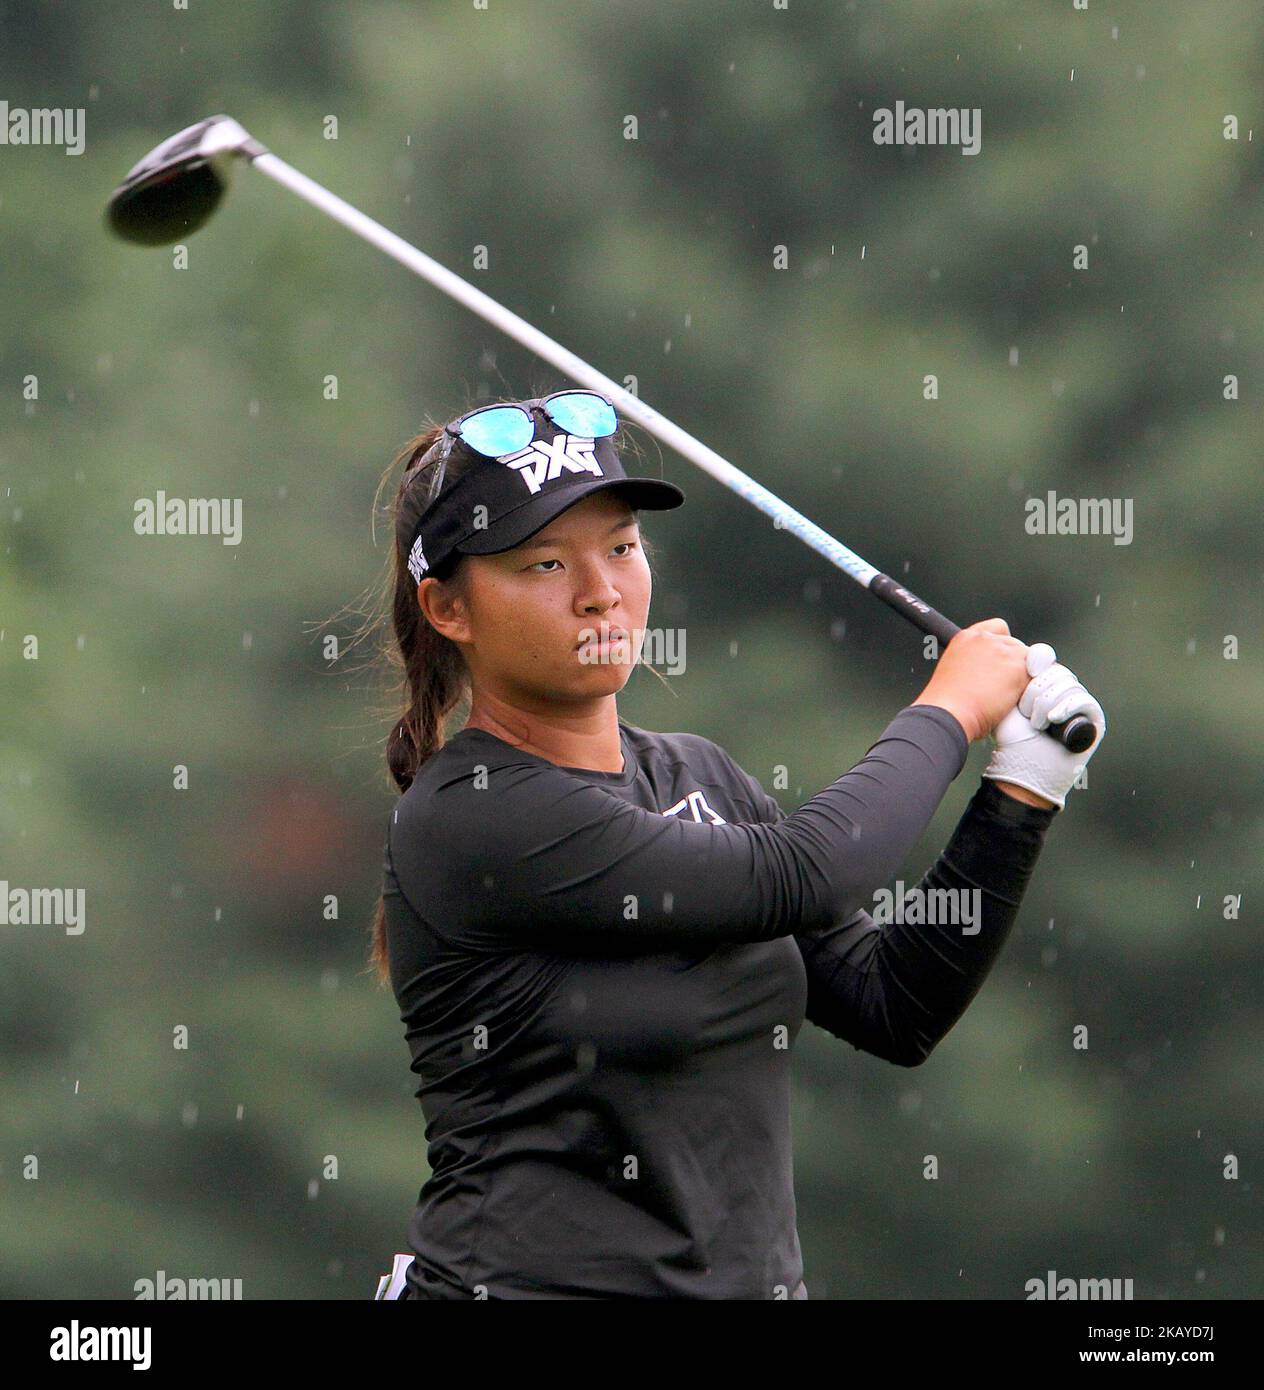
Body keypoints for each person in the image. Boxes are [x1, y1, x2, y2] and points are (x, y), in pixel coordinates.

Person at [365, 389, 1106, 1300]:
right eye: (545, 563)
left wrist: (1022, 792)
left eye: (622, 549)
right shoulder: (473, 813)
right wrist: (949, 708)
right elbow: (812, 873)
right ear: (448, 610)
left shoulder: (697, 776)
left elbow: (894, 1005)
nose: (601, 591)